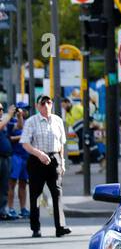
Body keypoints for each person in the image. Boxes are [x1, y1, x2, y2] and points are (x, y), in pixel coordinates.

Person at [21, 94, 70, 238]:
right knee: (36, 195)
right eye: (43, 103)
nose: (46, 106)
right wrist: (39, 154)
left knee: (57, 193)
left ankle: (60, 227)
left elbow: (61, 143)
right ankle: (36, 228)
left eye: (49, 102)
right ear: (37, 106)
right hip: (37, 160)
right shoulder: (32, 121)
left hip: (54, 158)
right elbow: (25, 143)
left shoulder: (58, 120)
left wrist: (62, 162)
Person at [7, 103, 28, 220]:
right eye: (23, 109)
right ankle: (10, 208)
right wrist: (21, 138)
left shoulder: (29, 123)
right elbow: (9, 137)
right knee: (12, 184)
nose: (25, 112)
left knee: (23, 184)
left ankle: (23, 208)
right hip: (15, 156)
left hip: (25, 156)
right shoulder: (11, 122)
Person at [0, 102, 11, 219]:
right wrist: (10, 115)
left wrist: (18, 117)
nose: (1, 111)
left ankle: (2, 211)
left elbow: (19, 127)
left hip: (6, 157)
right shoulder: (3, 123)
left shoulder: (4, 123)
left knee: (4, 186)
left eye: (2, 109)